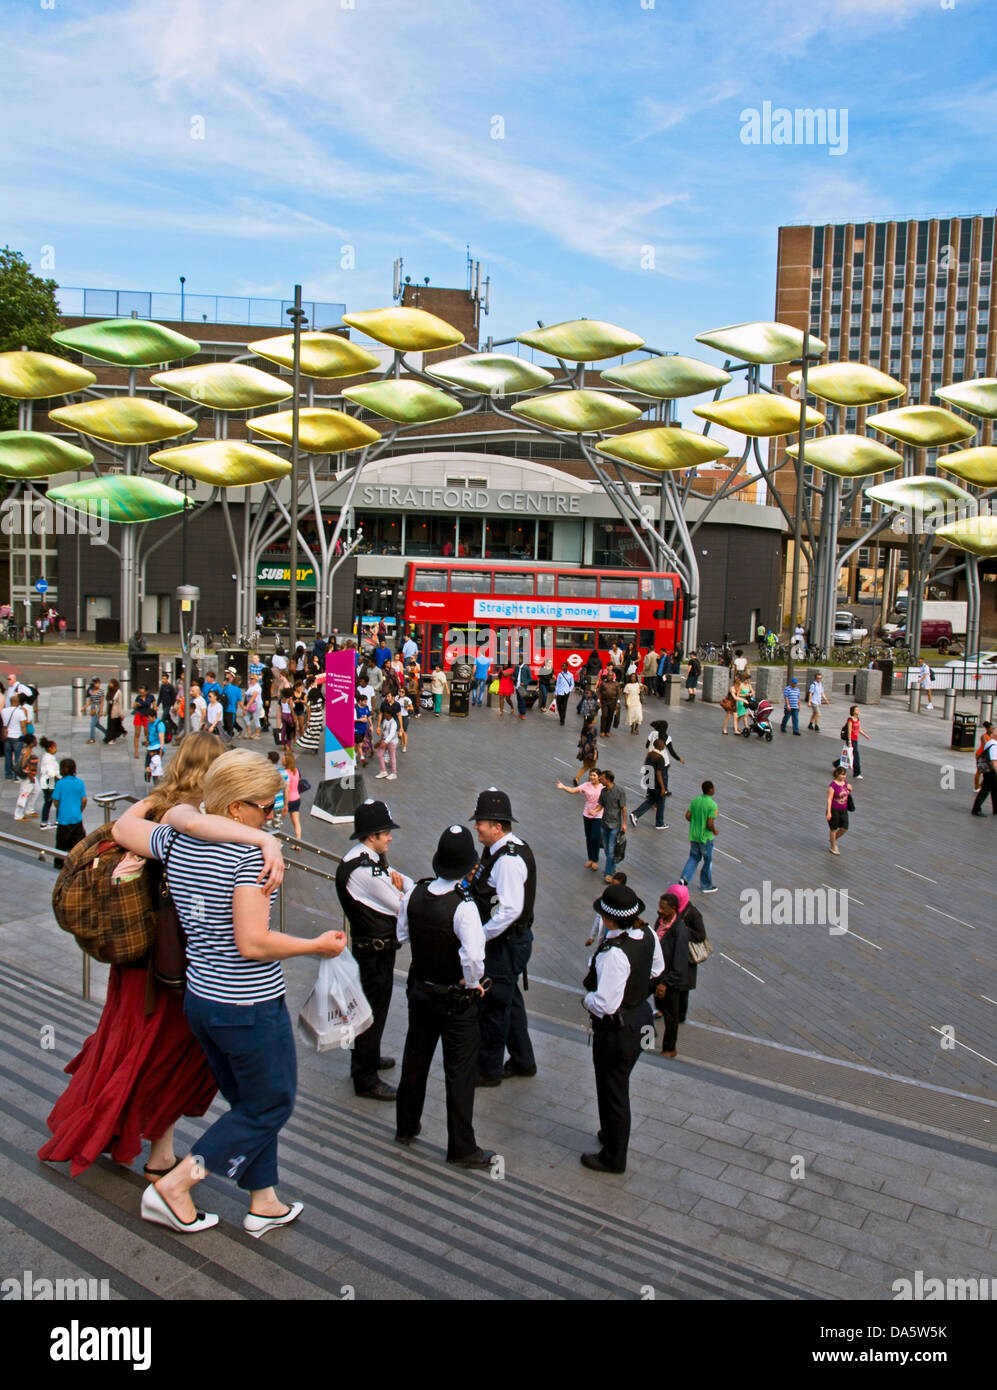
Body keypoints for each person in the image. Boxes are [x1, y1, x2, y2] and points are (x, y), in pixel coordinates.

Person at [110, 749, 346, 1236]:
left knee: (250, 1104)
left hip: (202, 1000)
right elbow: (253, 941)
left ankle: (265, 1199)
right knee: (272, 1103)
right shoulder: (251, 857)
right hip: (248, 1004)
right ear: (237, 807)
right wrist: (315, 945)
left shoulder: (178, 839)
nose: (273, 814)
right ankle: (178, 1185)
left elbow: (122, 828)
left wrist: (172, 806)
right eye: (266, 806)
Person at [395, 824, 491, 1167]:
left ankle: (406, 1125)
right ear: (468, 867)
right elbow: (474, 957)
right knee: (460, 1073)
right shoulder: (464, 907)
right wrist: (472, 982)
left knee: (415, 1059)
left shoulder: (414, 894)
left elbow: (401, 935)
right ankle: (462, 1148)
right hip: (455, 999)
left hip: (420, 989)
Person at [580, 884, 663, 1174]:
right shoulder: (648, 935)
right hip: (641, 1017)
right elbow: (656, 970)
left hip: (618, 1029)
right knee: (617, 1081)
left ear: (609, 919)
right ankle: (611, 1133)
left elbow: (605, 1004)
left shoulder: (614, 953)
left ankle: (614, 1156)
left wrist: (586, 999)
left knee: (613, 1088)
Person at [336, 799, 415, 1101]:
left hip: (374, 947)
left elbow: (402, 881)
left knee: (374, 1009)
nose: (390, 837)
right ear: (372, 836)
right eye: (386, 833)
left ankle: (370, 1056)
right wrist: (403, 890)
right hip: (374, 951)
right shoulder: (365, 871)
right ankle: (365, 1077)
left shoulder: (364, 858)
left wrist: (404, 886)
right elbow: (402, 904)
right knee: (370, 1012)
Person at [468, 788, 537, 1087]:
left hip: (503, 945)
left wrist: (479, 937)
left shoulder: (507, 860)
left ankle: (489, 1070)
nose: (476, 827)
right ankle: (524, 1061)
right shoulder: (499, 849)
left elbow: (509, 910)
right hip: (508, 943)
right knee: (511, 1003)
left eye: (480, 822)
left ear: (497, 827)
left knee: (495, 1007)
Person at [653, 893, 689, 1058]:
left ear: (673, 909)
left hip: (669, 979)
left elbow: (679, 962)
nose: (659, 910)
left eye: (663, 908)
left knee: (671, 1016)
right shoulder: (660, 921)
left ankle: (669, 1048)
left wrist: (665, 983)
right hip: (655, 974)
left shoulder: (679, 931)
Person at [666, 881, 706, 1032]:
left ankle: (680, 1015)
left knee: (682, 989)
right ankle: (666, 1010)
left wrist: (682, 932)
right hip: (671, 954)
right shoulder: (670, 910)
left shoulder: (692, 913)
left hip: (686, 958)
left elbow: (701, 935)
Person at [556, 768, 605, 870]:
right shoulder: (586, 785)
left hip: (598, 815)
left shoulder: (602, 787)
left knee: (595, 837)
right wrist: (563, 787)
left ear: (599, 777)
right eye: (591, 775)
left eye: (594, 775)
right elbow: (574, 790)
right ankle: (590, 858)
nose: (592, 777)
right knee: (588, 836)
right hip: (587, 814)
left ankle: (595, 860)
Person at [680, 781, 719, 894]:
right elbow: (709, 823)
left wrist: (696, 823)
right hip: (705, 837)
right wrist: (714, 831)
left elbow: (687, 816)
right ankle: (706, 885)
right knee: (707, 861)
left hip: (694, 835)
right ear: (710, 790)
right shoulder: (712, 805)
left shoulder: (695, 801)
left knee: (694, 857)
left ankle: (684, 878)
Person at [52, 757, 87, 866]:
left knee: (61, 845)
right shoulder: (80, 783)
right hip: (77, 818)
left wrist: (61, 808)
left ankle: (59, 865)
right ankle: (77, 864)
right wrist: (79, 810)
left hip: (64, 820)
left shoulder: (60, 784)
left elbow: (56, 800)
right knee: (78, 845)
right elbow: (84, 800)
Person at [629, 738, 668, 830]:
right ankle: (659, 823)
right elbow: (659, 773)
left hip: (650, 782)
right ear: (660, 746)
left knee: (651, 800)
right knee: (661, 802)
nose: (664, 746)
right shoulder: (660, 758)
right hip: (657, 784)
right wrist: (663, 788)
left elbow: (646, 767)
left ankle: (635, 814)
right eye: (663, 744)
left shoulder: (650, 754)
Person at [597, 769, 626, 882]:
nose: (600, 779)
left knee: (610, 850)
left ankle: (608, 873)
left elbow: (623, 809)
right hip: (604, 823)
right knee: (606, 849)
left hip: (615, 825)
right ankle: (612, 866)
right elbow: (601, 805)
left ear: (608, 779)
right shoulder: (603, 791)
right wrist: (594, 811)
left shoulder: (619, 791)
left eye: (602, 778)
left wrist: (624, 823)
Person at [971, 721, 997, 816]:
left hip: (988, 769)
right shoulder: (994, 745)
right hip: (990, 770)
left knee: (994, 789)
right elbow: (994, 761)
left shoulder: (991, 742)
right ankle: (976, 809)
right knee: (986, 789)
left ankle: (996, 809)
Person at [14, 733, 41, 820]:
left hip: (31, 776)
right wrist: (31, 777)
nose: (37, 742)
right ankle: (18, 814)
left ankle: (29, 809)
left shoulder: (26, 750)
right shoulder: (28, 753)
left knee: (36, 790)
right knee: (24, 794)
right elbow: (25, 767)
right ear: (32, 743)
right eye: (35, 740)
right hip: (28, 777)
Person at [2, 693, 28, 779]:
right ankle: (17, 776)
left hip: (7, 736)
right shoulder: (20, 712)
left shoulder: (4, 711)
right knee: (17, 757)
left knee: (8, 756)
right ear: (17, 702)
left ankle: (8, 774)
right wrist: (26, 736)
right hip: (17, 737)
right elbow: (23, 726)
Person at [572, 712, 599, 786]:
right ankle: (590, 782)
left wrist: (581, 749)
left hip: (584, 750)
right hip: (591, 751)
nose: (595, 719)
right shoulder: (594, 729)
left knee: (585, 766)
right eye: (595, 718)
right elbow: (594, 741)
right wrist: (595, 752)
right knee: (592, 768)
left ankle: (577, 778)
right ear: (592, 721)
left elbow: (581, 740)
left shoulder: (584, 728)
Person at [39, 736, 60, 829]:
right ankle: (57, 821)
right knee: (55, 801)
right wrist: (59, 778)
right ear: (50, 748)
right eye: (55, 747)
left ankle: (45, 821)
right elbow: (51, 773)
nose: (56, 749)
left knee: (48, 802)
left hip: (46, 782)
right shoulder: (49, 759)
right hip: (50, 782)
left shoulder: (47, 757)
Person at [844, 705, 870, 779]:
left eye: (858, 709)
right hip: (851, 739)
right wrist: (849, 741)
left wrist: (866, 735)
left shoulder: (858, 719)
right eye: (857, 710)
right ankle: (857, 773)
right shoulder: (850, 720)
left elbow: (859, 729)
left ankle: (836, 764)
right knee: (856, 756)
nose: (858, 711)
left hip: (855, 740)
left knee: (849, 755)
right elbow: (849, 731)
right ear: (853, 711)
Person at [375, 707, 400, 781]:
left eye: (385, 713)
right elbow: (384, 731)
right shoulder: (385, 720)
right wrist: (381, 740)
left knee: (392, 757)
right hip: (384, 740)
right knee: (379, 755)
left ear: (389, 714)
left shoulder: (393, 723)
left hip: (392, 742)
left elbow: (392, 734)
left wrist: (385, 742)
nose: (384, 714)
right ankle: (383, 771)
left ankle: (394, 773)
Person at [282, 751, 302, 837]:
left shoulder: (284, 773)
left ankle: (277, 840)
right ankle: (298, 842)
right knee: (296, 822)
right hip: (296, 798)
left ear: (286, 761)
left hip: (288, 800)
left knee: (278, 821)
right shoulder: (296, 771)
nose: (282, 760)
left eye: (283, 759)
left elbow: (286, 790)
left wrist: (285, 804)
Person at [221, 669, 244, 737]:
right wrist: (244, 709)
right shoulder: (238, 690)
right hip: (232, 709)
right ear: (239, 682)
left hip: (225, 707)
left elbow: (222, 695)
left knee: (226, 723)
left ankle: (228, 734)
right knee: (231, 723)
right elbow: (240, 701)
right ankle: (230, 736)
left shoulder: (227, 686)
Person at [598, 668, 620, 738]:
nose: (609, 677)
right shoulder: (603, 683)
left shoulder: (616, 684)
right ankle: (602, 731)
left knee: (610, 717)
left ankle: (607, 731)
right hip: (605, 701)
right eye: (608, 676)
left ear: (613, 676)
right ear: (606, 676)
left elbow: (619, 694)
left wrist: (618, 702)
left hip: (613, 701)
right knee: (604, 715)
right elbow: (599, 692)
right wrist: (598, 701)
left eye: (611, 676)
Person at [103, 678, 125, 744]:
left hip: (115, 711)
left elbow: (120, 704)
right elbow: (107, 702)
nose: (110, 684)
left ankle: (112, 738)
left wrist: (121, 713)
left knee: (113, 725)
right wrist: (105, 711)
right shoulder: (109, 691)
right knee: (110, 724)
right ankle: (111, 736)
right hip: (110, 709)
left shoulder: (118, 692)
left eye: (111, 683)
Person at [85, 679, 105, 743]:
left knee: (92, 724)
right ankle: (107, 733)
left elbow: (102, 702)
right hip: (93, 708)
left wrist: (101, 711)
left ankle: (92, 738)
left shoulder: (101, 691)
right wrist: (85, 707)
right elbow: (90, 699)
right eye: (96, 683)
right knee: (96, 724)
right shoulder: (92, 690)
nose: (98, 684)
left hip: (97, 708)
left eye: (98, 683)